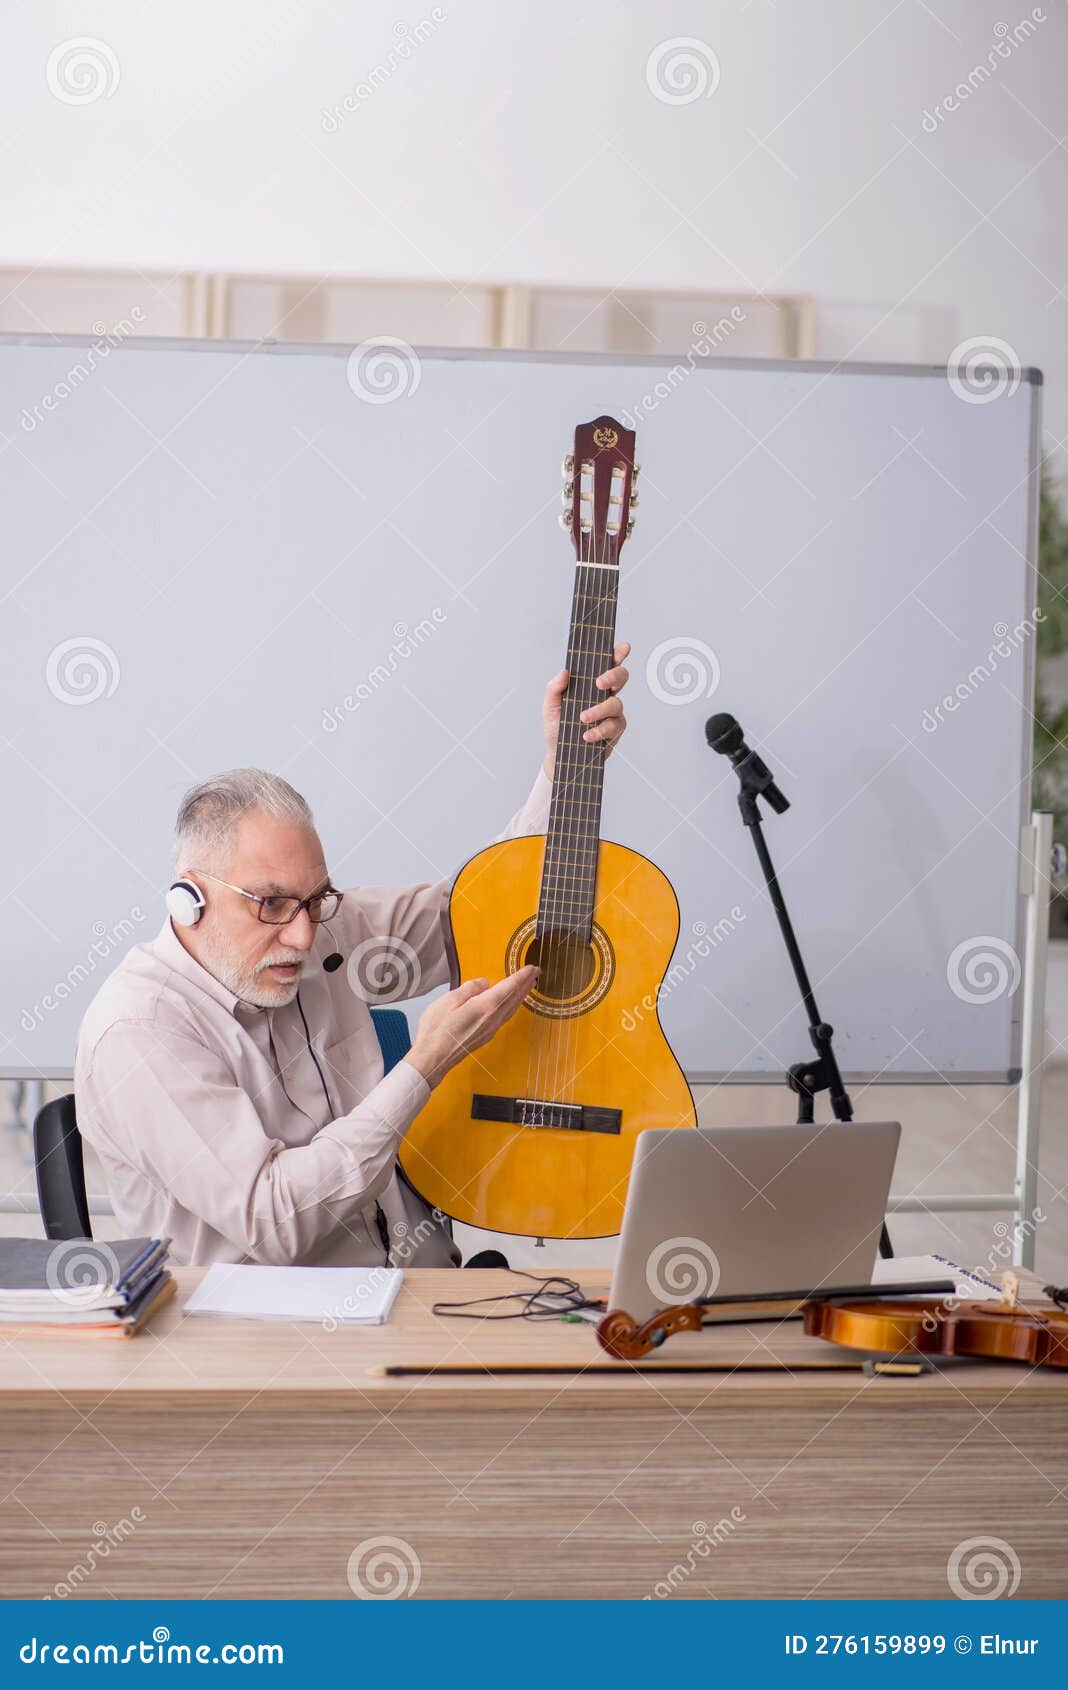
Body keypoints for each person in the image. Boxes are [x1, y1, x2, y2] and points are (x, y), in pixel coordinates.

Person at [74, 646, 631, 1266]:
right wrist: (425, 1065)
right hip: (269, 1321)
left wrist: (563, 770)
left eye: (316, 899)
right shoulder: (137, 1031)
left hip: (420, 1288)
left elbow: (478, 912)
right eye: (271, 904)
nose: (302, 936)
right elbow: (274, 1222)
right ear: (190, 899)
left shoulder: (323, 929)